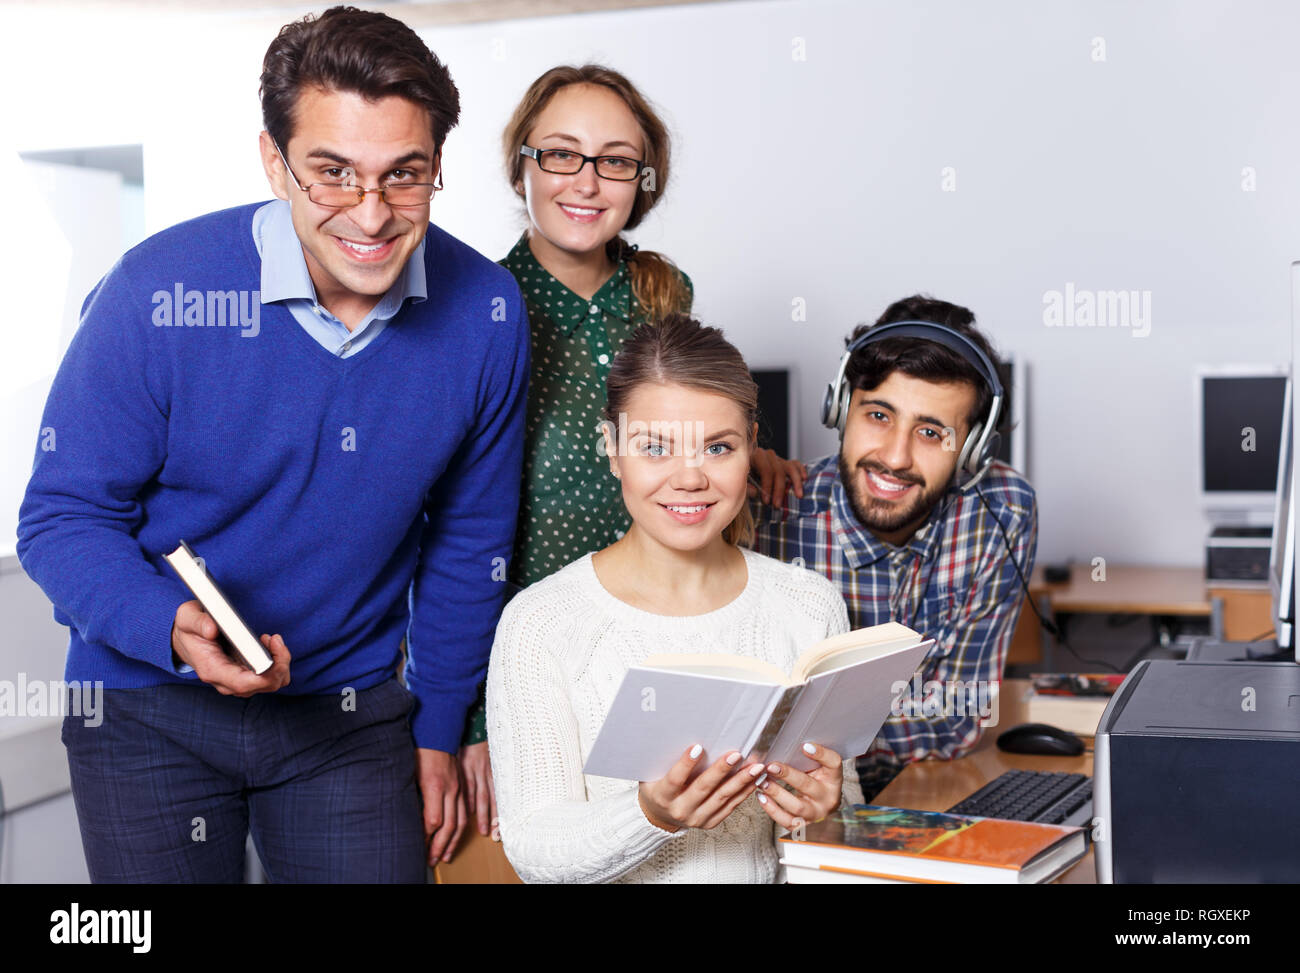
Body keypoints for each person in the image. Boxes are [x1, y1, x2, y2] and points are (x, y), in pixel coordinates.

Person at [16, 6, 529, 881]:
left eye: (403, 176)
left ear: (437, 164)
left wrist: (439, 727)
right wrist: (171, 629)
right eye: (332, 173)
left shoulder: (485, 312)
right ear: (273, 161)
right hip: (144, 706)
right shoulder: (157, 290)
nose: (371, 216)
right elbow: (61, 519)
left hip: (348, 716)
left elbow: (469, 543)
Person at [455, 65, 804, 842]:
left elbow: (691, 399)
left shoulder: (660, 289)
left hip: (672, 640)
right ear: (523, 165)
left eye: (614, 159)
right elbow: (451, 536)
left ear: (640, 180)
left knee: (712, 838)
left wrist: (760, 452)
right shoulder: (478, 305)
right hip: (547, 665)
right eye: (561, 154)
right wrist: (473, 720)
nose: (588, 180)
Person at [485, 314, 863, 883]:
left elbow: (842, 819)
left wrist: (824, 814)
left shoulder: (809, 605)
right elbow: (535, 852)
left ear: (751, 448)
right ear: (612, 450)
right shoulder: (540, 623)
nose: (689, 479)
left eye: (718, 447)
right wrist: (650, 815)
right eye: (654, 447)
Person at [750, 295, 1038, 801]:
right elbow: (732, 730)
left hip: (914, 794)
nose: (895, 457)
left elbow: (958, 719)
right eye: (879, 415)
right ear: (839, 409)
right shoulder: (766, 513)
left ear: (973, 451)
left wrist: (807, 741)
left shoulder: (1001, 513)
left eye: (931, 432)